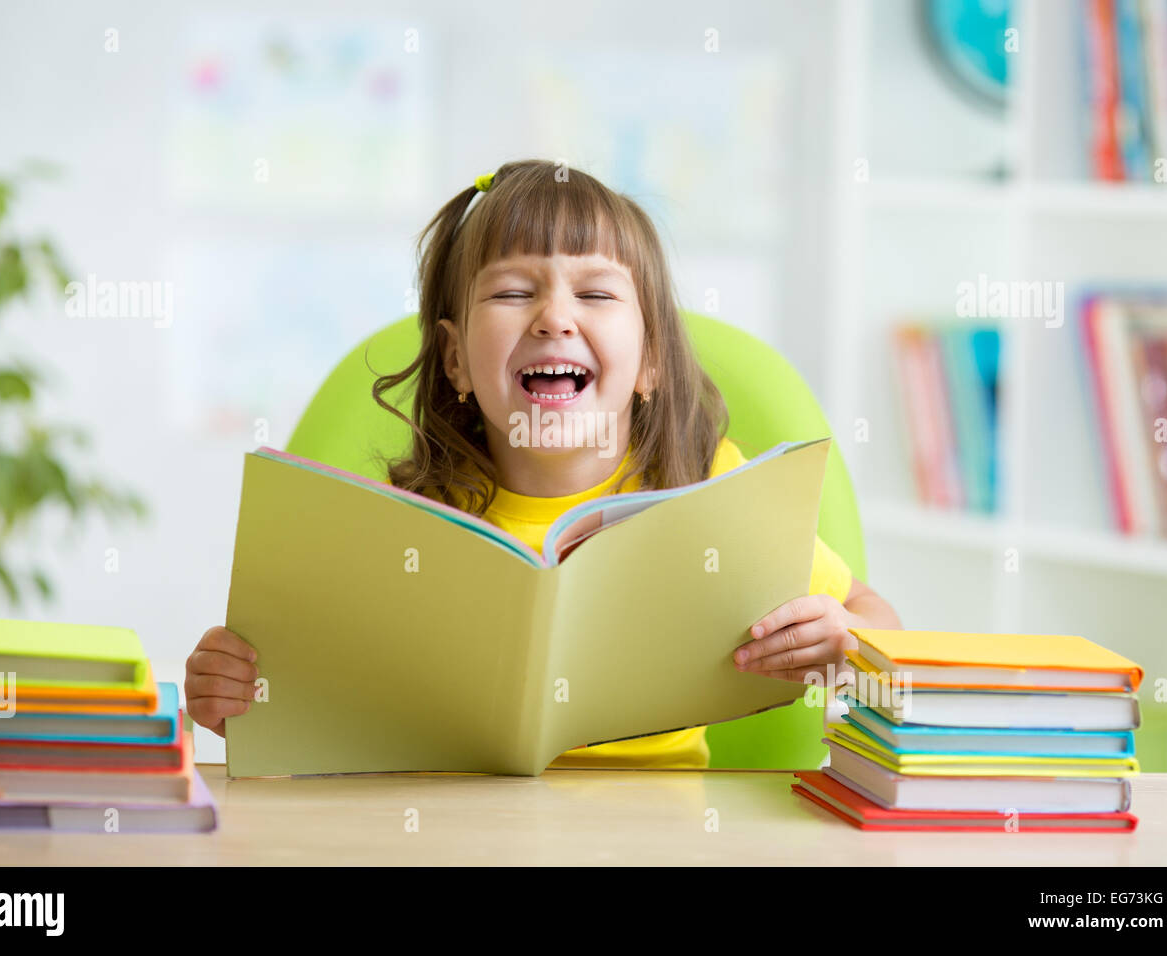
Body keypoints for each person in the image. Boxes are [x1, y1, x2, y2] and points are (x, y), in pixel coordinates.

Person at [186, 159, 901, 768]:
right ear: (456, 358)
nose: (554, 318)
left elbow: (889, 639)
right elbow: (305, 707)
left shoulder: (709, 487)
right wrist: (239, 696)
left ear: (650, 359)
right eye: (512, 292)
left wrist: (848, 648)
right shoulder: (402, 519)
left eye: (594, 293)